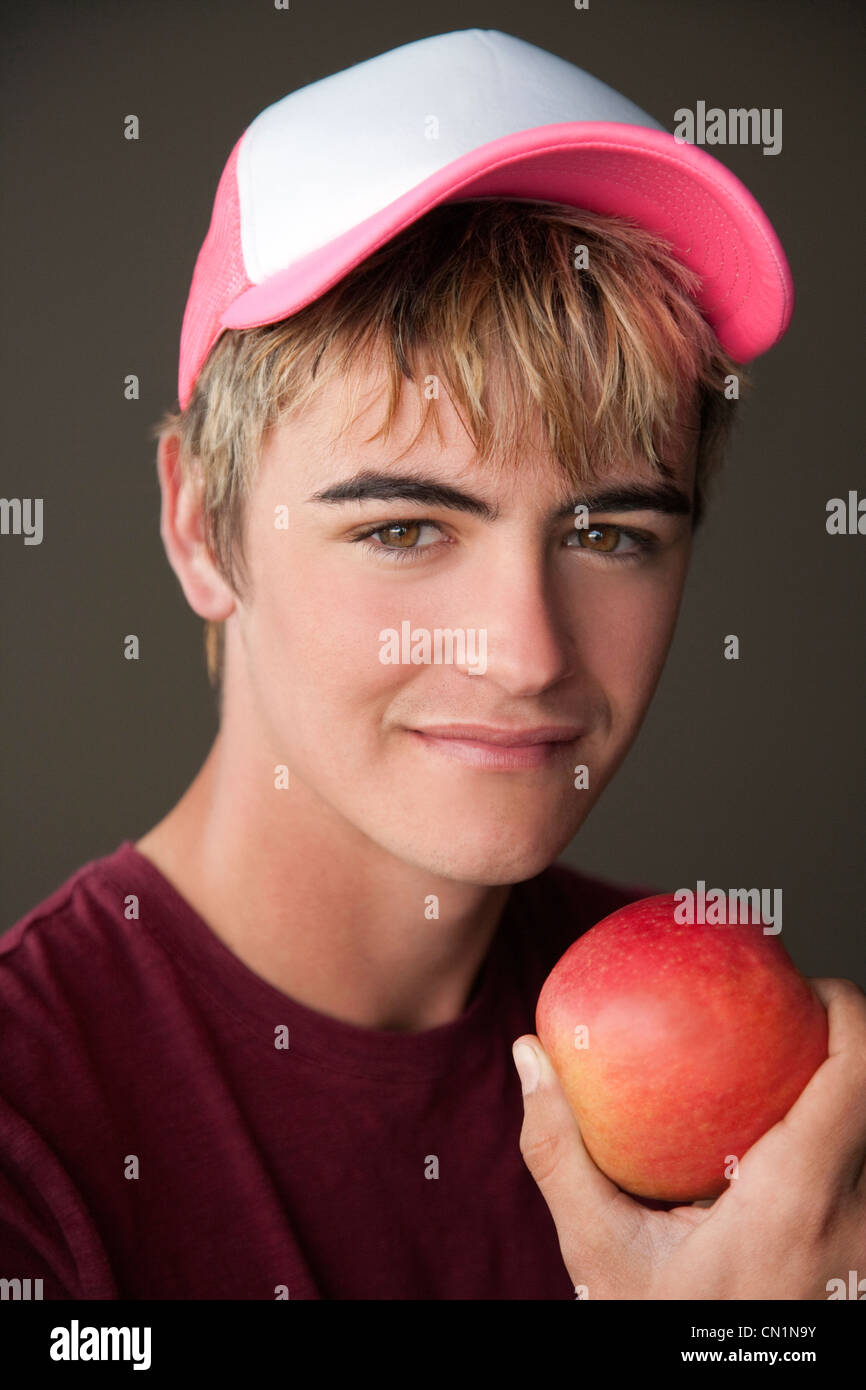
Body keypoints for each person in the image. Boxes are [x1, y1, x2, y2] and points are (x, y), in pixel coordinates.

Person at [1, 29, 863, 1301]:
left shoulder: (769, 1090)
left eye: (609, 532)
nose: (524, 654)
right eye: (402, 528)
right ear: (197, 527)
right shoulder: (31, 1141)